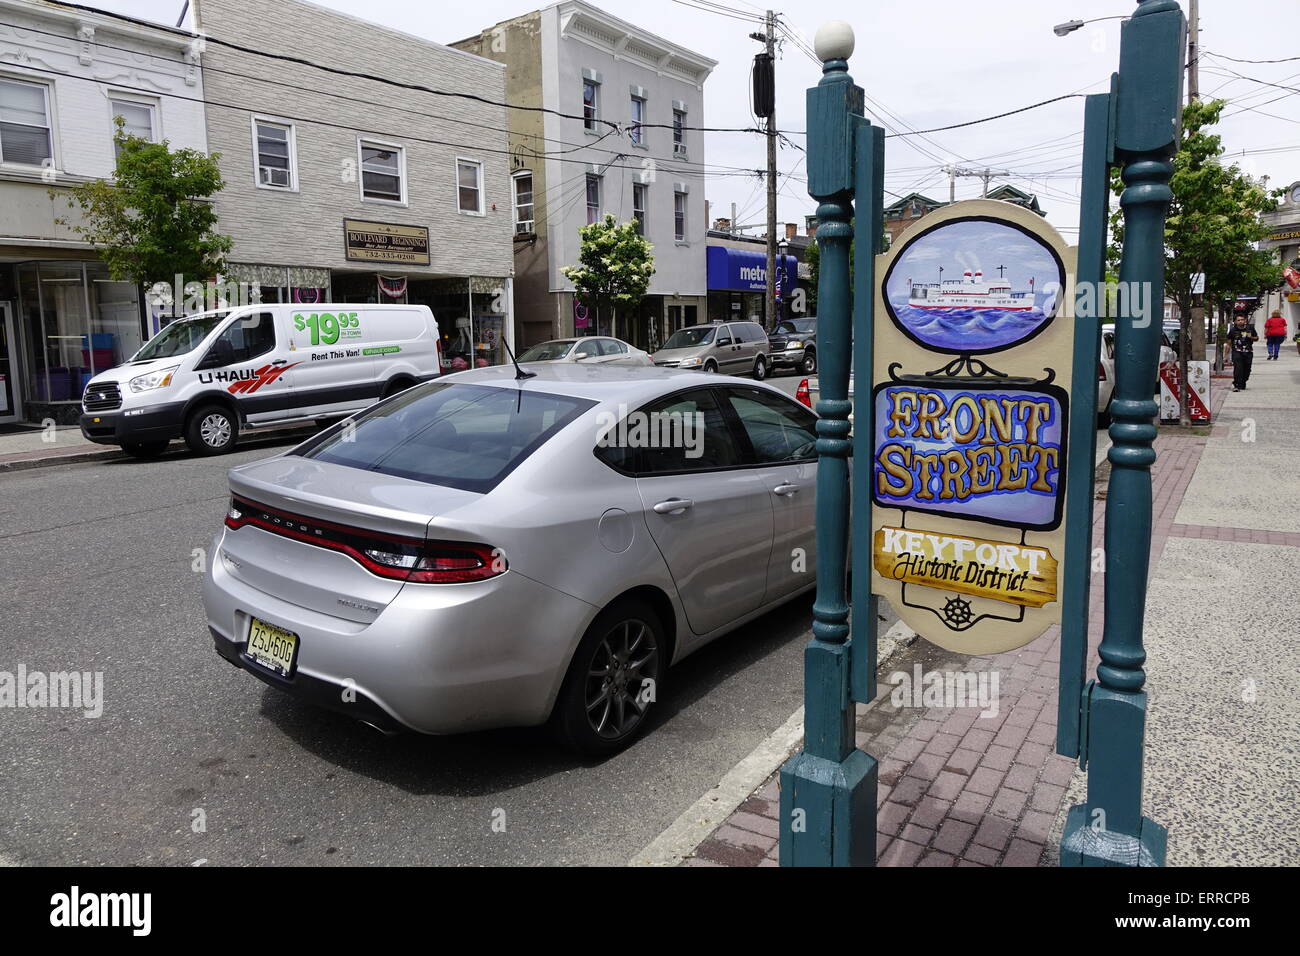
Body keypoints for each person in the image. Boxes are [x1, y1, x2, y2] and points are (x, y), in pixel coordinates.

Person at [1227, 314, 1259, 391]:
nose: (1240, 321)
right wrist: (1230, 350)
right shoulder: (1233, 330)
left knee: (1247, 369)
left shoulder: (1250, 328)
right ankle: (1236, 384)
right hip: (1237, 352)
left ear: (1245, 320)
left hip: (1248, 352)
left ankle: (1243, 382)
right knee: (1238, 368)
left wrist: (1251, 337)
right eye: (1238, 320)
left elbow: (1257, 338)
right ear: (1235, 322)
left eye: (1242, 319)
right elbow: (1228, 340)